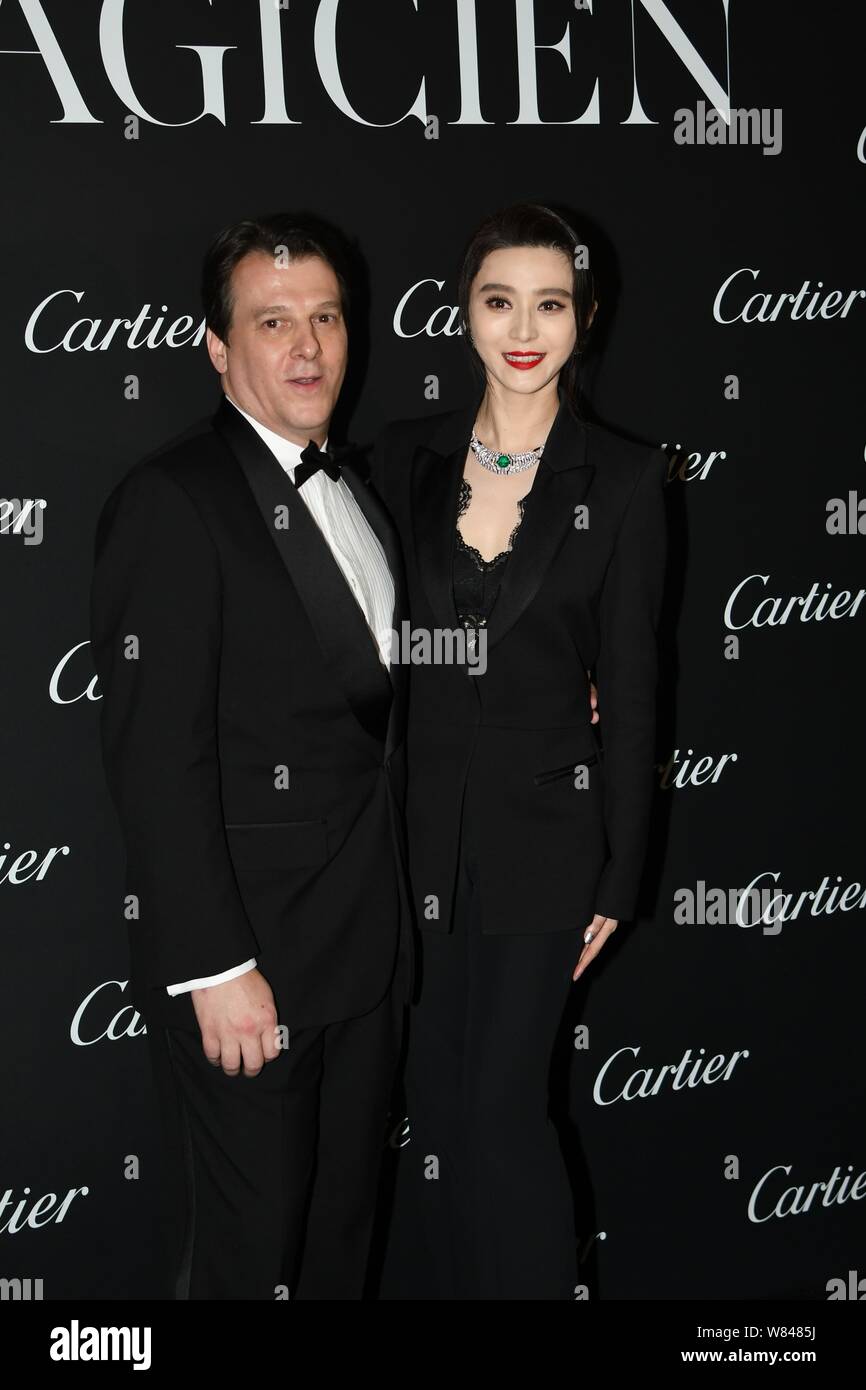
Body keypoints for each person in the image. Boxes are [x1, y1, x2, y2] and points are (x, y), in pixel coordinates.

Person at [89, 213, 414, 1300]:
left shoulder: (355, 485)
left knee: (336, 1241)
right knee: (244, 1256)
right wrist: (214, 966)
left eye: (325, 316)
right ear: (219, 349)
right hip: (249, 967)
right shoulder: (171, 500)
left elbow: (365, 717)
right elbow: (153, 759)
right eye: (273, 322)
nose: (309, 345)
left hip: (363, 952)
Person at [372, 202, 668, 1299]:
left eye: (549, 303)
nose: (522, 327)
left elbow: (634, 695)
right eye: (500, 300)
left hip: (548, 846)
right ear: (465, 314)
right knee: (439, 1111)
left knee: (500, 1105)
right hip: (412, 844)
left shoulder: (627, 482)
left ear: (584, 318)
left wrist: (617, 874)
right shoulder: (402, 459)